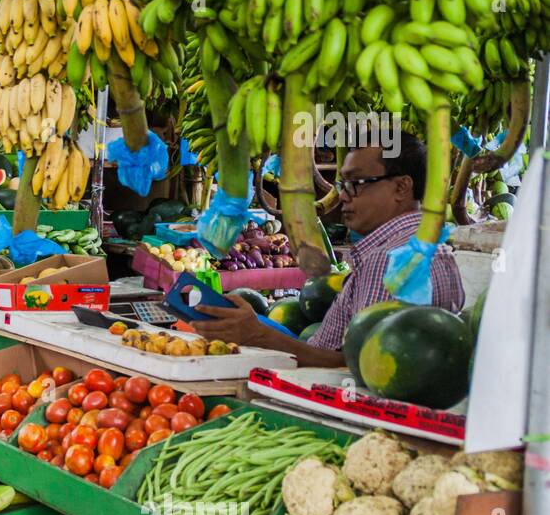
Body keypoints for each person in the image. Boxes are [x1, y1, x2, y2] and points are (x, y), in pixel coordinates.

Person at [194, 133, 464, 367]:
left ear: (401, 187)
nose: (344, 195)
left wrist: (258, 335)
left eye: (356, 183)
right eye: (342, 185)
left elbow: (354, 367)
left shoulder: (388, 260)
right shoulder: (439, 252)